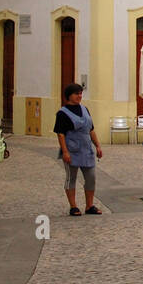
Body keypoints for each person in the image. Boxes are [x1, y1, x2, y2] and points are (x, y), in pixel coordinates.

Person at [54, 83, 103, 216]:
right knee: (71, 178)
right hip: (72, 150)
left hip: (87, 150)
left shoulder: (85, 109)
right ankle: (73, 206)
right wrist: (65, 152)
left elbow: (91, 129)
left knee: (91, 178)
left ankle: (89, 205)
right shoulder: (62, 113)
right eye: (77, 94)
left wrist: (97, 145)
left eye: (81, 93)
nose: (79, 96)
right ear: (69, 96)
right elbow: (60, 134)